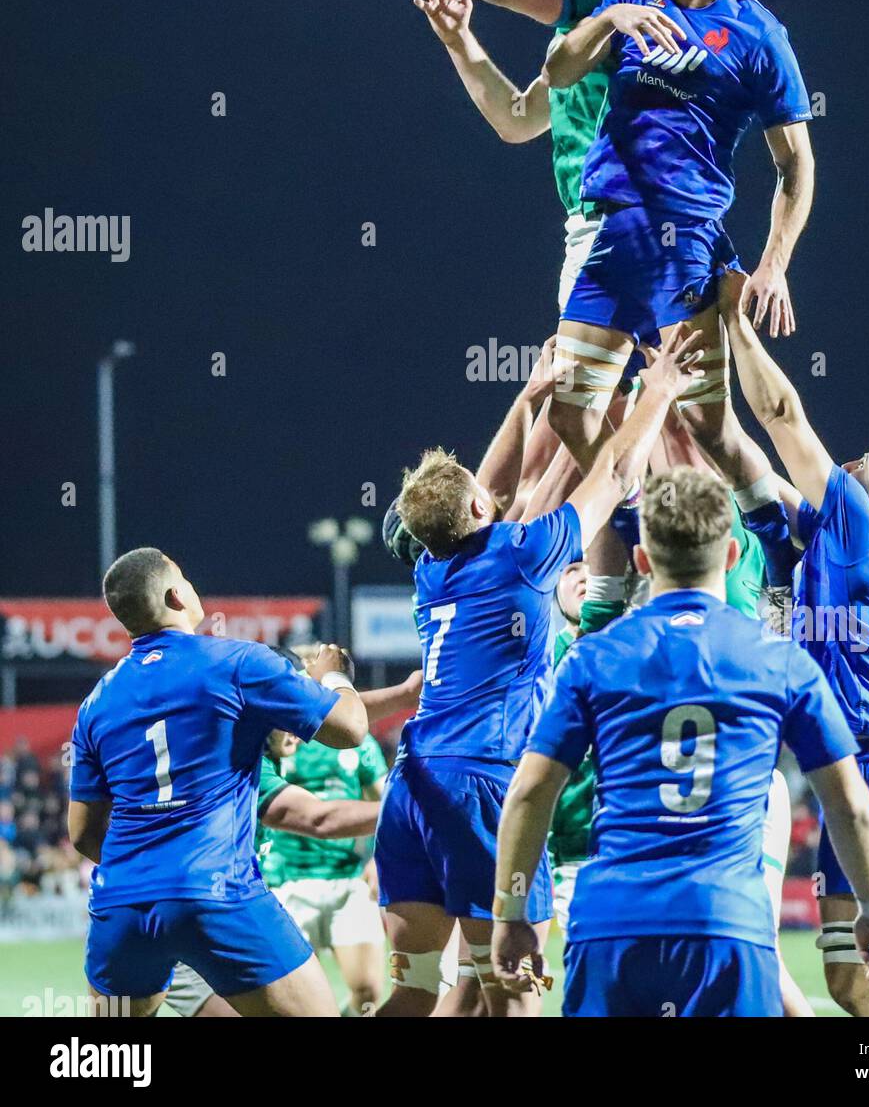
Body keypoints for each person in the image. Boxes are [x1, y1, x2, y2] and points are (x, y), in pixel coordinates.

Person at [374, 327, 703, 1017]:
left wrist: (525, 403)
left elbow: (486, 489)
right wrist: (661, 389)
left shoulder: (432, 571)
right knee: (513, 991)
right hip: (482, 782)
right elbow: (612, 474)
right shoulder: (520, 555)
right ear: (475, 513)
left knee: (411, 992)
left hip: (411, 786)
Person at [490, 467, 869, 1017]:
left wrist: (510, 914)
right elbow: (850, 805)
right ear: (731, 556)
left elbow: (528, 794)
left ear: (641, 560)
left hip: (613, 921)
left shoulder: (592, 658)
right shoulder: (779, 661)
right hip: (727, 924)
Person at [540, 0, 814, 516]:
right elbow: (558, 70)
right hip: (614, 230)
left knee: (708, 426)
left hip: (685, 237)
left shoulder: (760, 37)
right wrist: (608, 20)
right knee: (570, 412)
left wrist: (775, 263)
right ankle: (650, 526)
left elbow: (795, 164)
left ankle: (782, 554)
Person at [717, 268, 869, 1016]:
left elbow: (782, 417)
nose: (840, 465)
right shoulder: (857, 541)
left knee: (851, 981)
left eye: (856, 465)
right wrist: (692, 382)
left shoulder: (860, 522)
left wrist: (734, 327)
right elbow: (749, 465)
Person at [68, 548, 368, 1018]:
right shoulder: (238, 662)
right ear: (175, 594)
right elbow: (349, 729)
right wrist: (335, 676)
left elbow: (83, 833)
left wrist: (151, 870)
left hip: (123, 904)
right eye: (185, 577)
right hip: (217, 890)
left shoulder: (96, 703)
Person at [353, 0, 664, 313]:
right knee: (652, 378)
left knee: (582, 380)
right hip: (624, 224)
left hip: (615, 224)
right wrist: (460, 41)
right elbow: (518, 120)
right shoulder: (594, 22)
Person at [263, 722, 388, 1017]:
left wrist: (379, 859)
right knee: (294, 1002)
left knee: (368, 992)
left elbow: (384, 799)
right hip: (285, 882)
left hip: (348, 878)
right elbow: (317, 818)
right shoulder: (274, 743)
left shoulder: (358, 740)